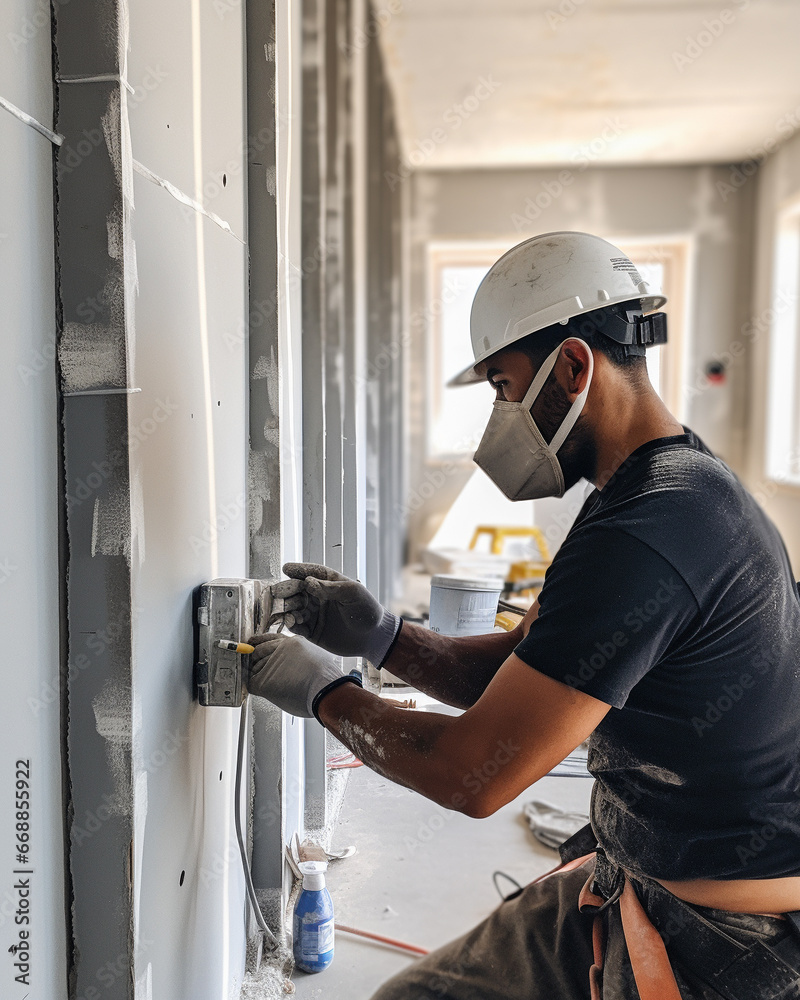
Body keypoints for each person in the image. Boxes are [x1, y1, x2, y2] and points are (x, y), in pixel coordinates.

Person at [246, 232, 800, 998]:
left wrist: (323, 694)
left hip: (728, 945)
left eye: (504, 387)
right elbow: (524, 669)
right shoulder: (653, 487)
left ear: (572, 367)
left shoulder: (654, 527)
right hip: (637, 873)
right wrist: (384, 637)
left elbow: (472, 774)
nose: (500, 416)